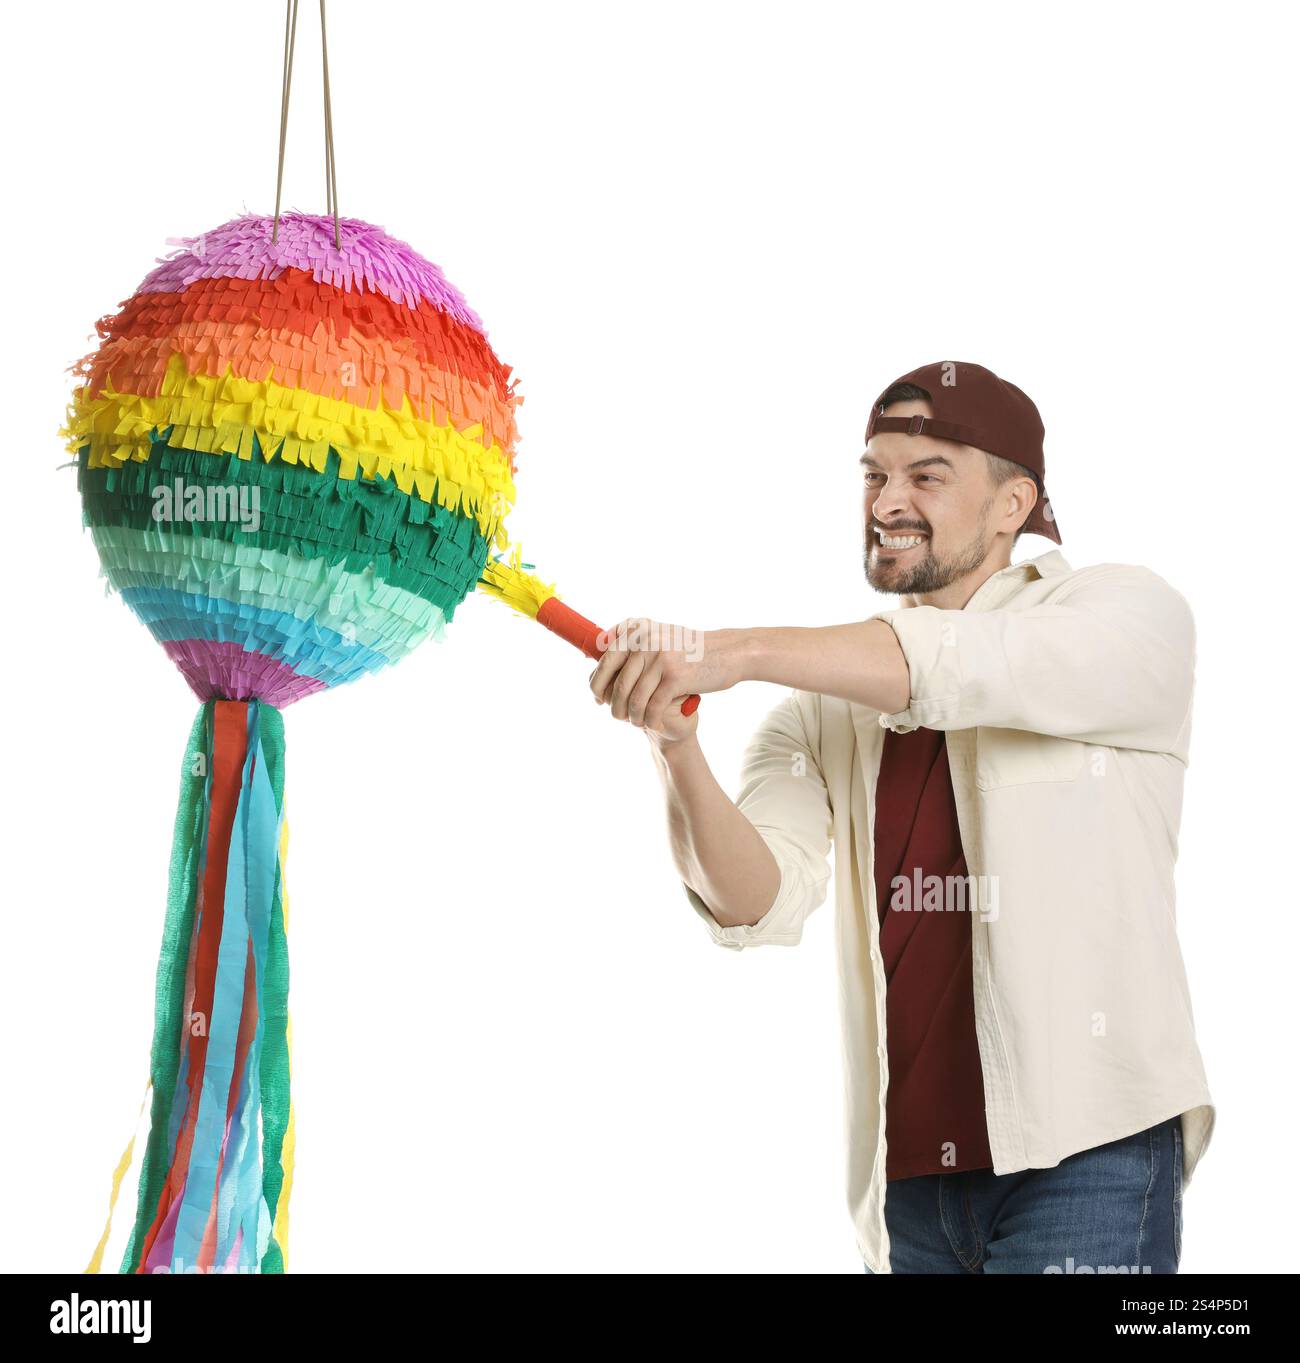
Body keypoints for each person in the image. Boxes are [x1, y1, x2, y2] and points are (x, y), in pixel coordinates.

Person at [589, 360, 1214, 1274]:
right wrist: (675, 742)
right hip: (908, 1199)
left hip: (1089, 1158)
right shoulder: (818, 709)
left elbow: (972, 664)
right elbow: (756, 898)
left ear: (1014, 504)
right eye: (875, 473)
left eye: (928, 474)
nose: (888, 498)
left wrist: (731, 651)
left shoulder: (1124, 616)